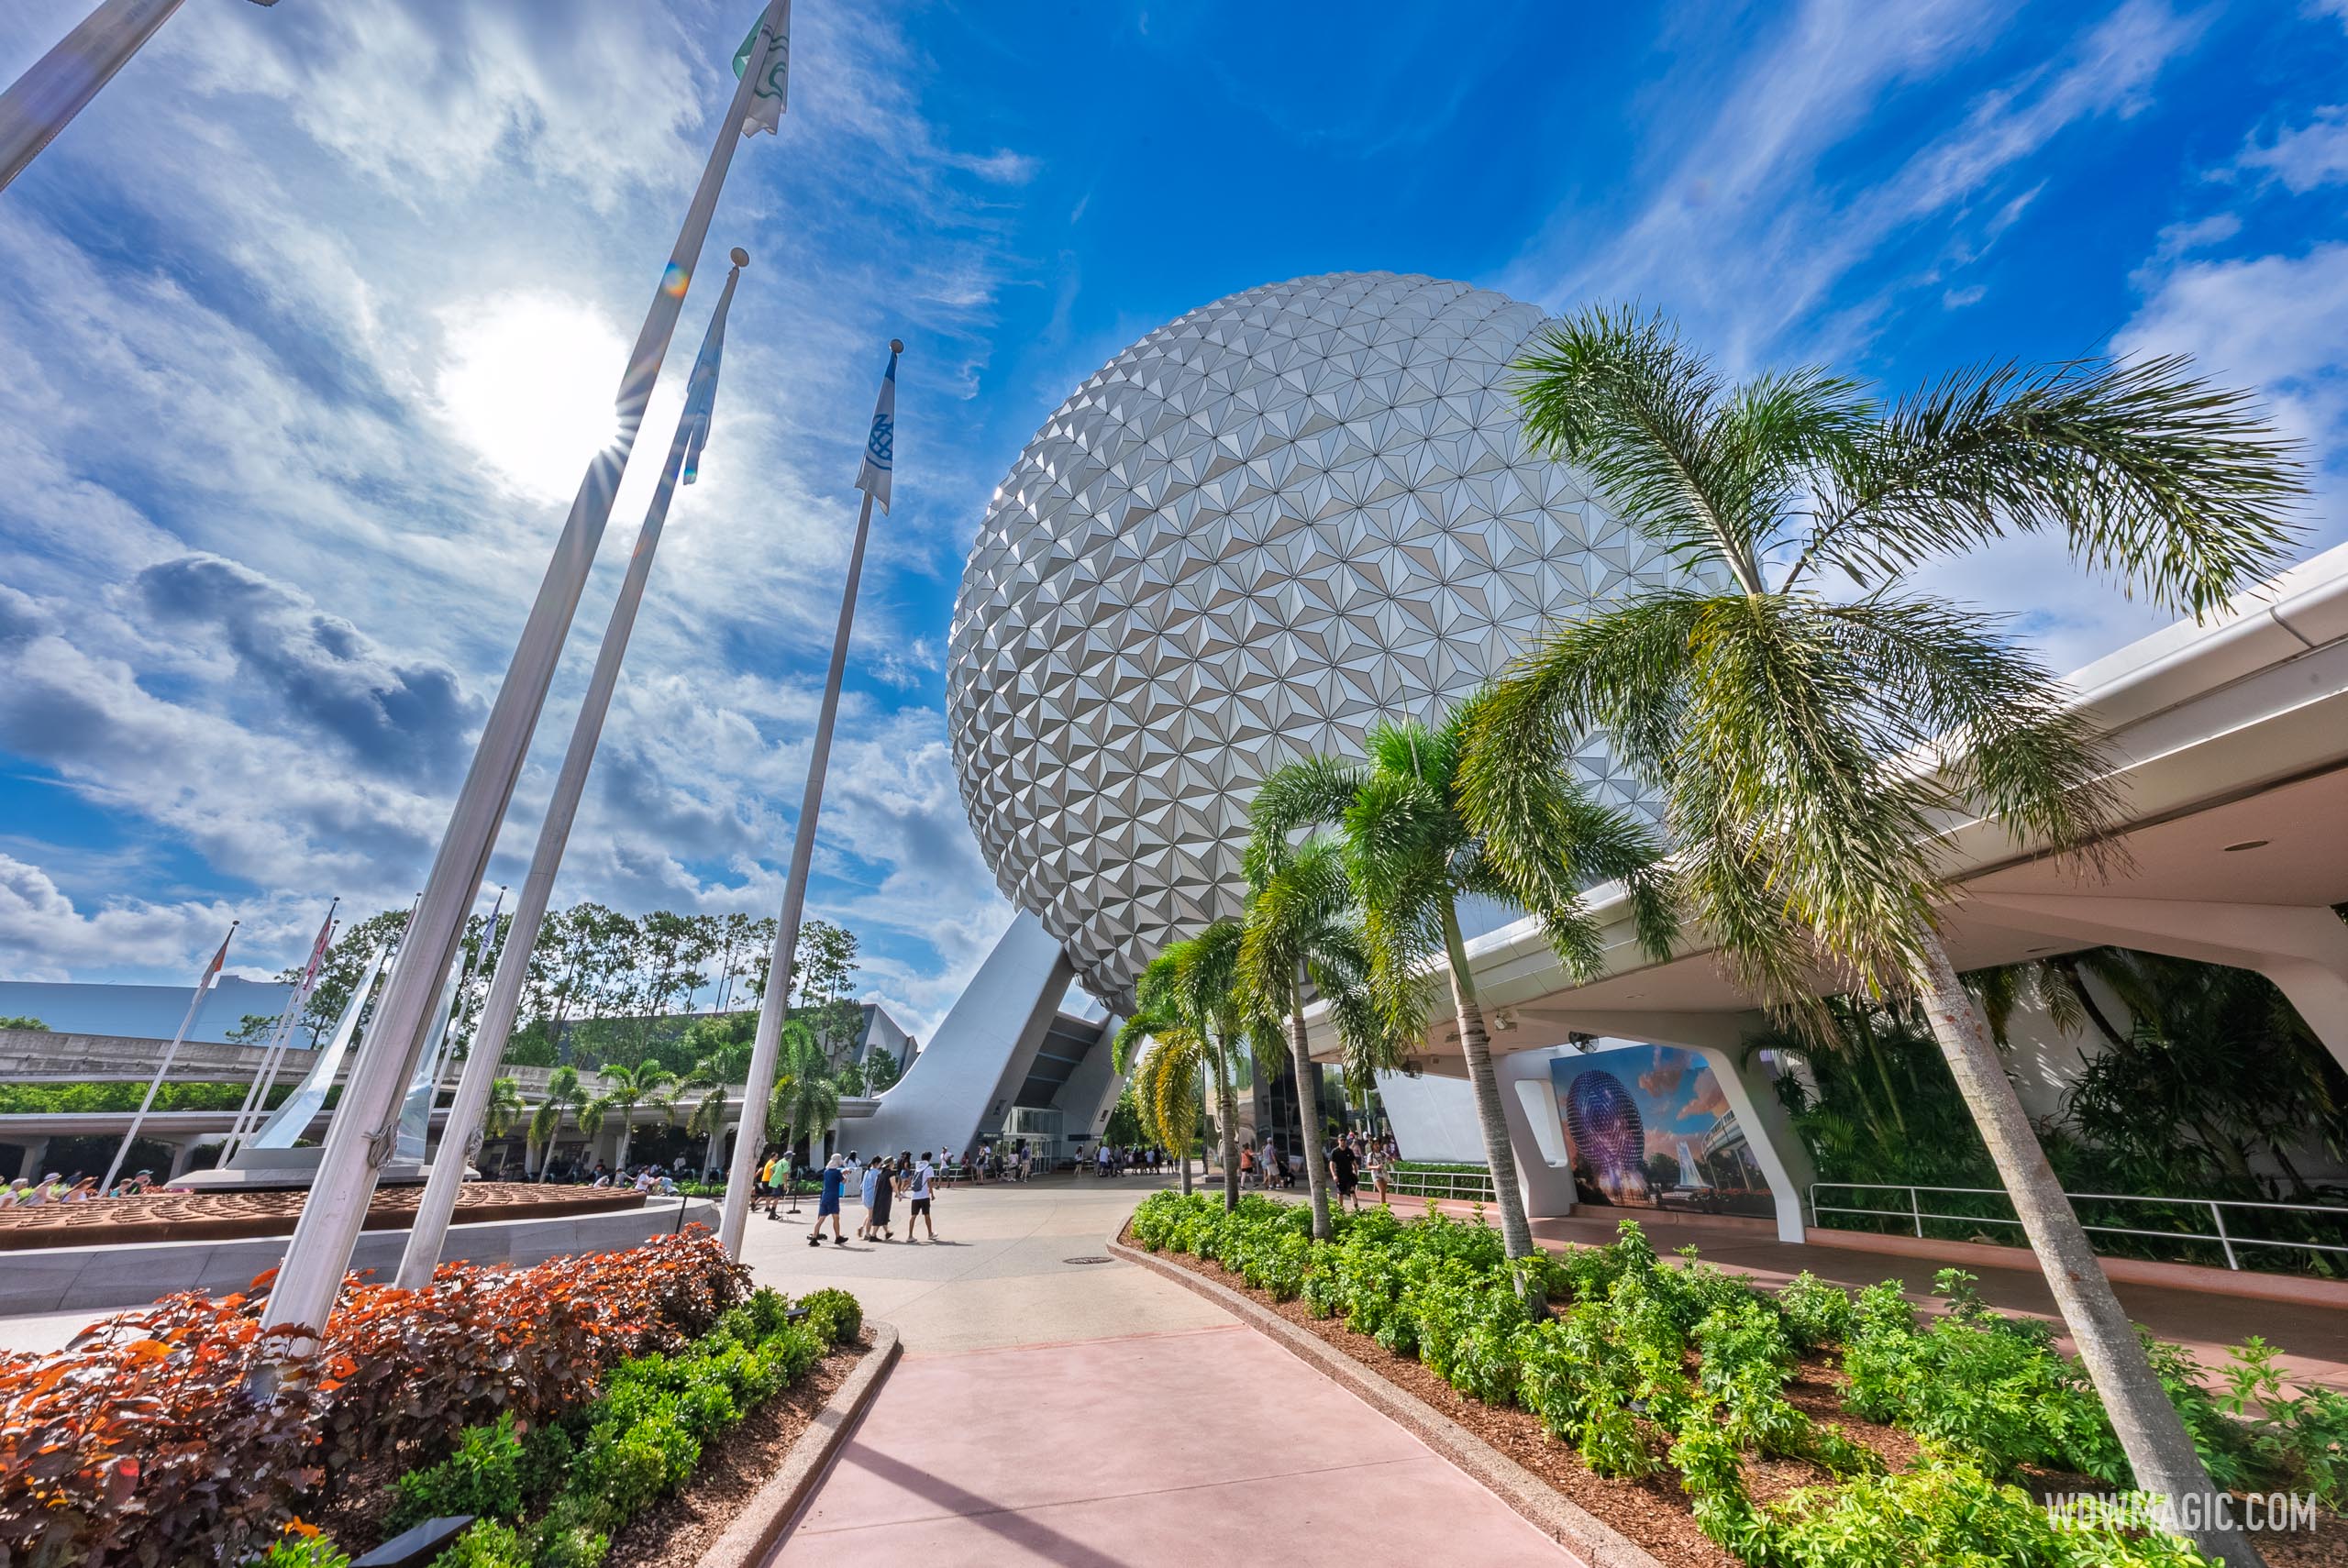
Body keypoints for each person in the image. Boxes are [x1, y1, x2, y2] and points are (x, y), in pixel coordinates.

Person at [808, 1154, 847, 1247]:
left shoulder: (826, 1171)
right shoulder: (837, 1172)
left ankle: (814, 1238)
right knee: (836, 1217)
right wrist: (844, 1174)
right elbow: (844, 1181)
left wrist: (841, 1172)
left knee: (821, 1219)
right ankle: (838, 1237)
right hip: (833, 1197)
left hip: (825, 1196)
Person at [907, 1150, 939, 1242]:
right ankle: (930, 1234)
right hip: (924, 1195)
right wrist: (932, 1194)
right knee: (927, 1215)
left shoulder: (918, 1167)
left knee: (913, 1216)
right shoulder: (928, 1168)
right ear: (929, 1158)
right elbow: (929, 1182)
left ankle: (910, 1236)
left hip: (915, 1195)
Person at [870, 1153, 899, 1241]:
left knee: (882, 1215)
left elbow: (876, 1185)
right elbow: (893, 1185)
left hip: (877, 1196)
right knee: (881, 1215)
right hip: (885, 1197)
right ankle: (873, 1236)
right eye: (893, 1163)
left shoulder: (880, 1174)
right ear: (890, 1164)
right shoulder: (891, 1173)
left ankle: (887, 1232)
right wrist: (898, 1194)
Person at [1330, 1138, 1360, 1212]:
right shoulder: (1335, 1151)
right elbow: (1331, 1164)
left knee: (1352, 1190)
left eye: (1344, 1140)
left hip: (1349, 1174)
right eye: (1341, 1140)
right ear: (1338, 1141)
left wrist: (1356, 1173)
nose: (1343, 1142)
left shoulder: (1349, 1151)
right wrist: (1334, 1175)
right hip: (1339, 1175)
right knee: (1340, 1193)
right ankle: (1340, 1209)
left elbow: (1354, 1163)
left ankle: (1356, 1209)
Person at [856, 1157, 881, 1241]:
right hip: (871, 1196)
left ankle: (862, 1227)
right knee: (871, 1216)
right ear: (877, 1164)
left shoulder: (867, 1171)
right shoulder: (876, 1173)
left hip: (865, 1195)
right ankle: (867, 1233)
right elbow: (877, 1185)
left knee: (870, 1213)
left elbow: (862, 1185)